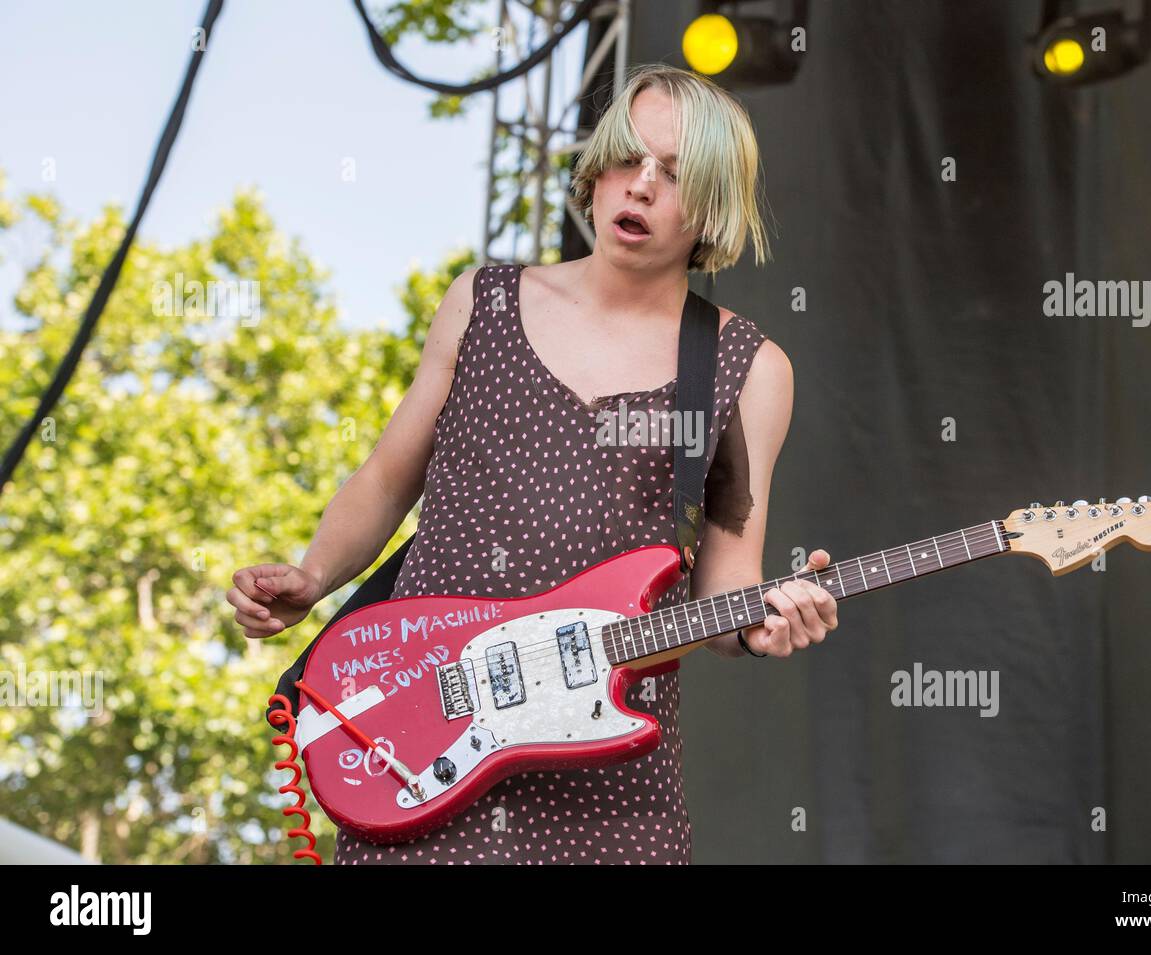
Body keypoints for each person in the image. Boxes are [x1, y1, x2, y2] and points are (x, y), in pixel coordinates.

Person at [228, 63, 838, 864]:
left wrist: (763, 623)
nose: (642, 187)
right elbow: (385, 478)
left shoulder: (748, 368)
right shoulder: (478, 302)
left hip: (608, 791)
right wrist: (313, 575)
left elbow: (723, 583)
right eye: (629, 159)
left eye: (677, 174)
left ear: (714, 207)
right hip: (426, 735)